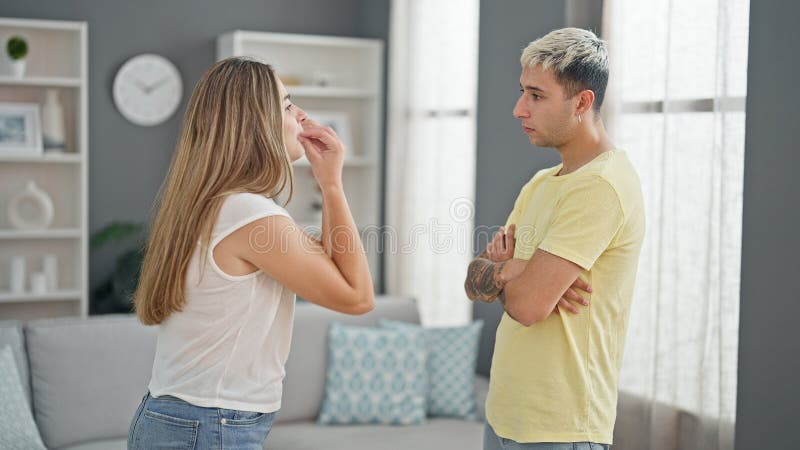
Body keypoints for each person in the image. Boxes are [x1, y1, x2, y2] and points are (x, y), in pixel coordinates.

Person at [127, 57, 374, 449]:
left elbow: (333, 264)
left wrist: (327, 179)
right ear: (257, 122)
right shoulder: (250, 215)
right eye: (288, 105)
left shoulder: (212, 204)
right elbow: (357, 296)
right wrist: (331, 186)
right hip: (209, 425)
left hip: (177, 418)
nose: (302, 116)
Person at [464, 28, 645, 449]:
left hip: (561, 428)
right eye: (522, 92)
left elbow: (526, 305)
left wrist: (507, 274)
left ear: (582, 102)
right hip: (505, 415)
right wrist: (522, 273)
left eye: (536, 96)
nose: (518, 109)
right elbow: (475, 281)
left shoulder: (602, 186)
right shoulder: (541, 184)